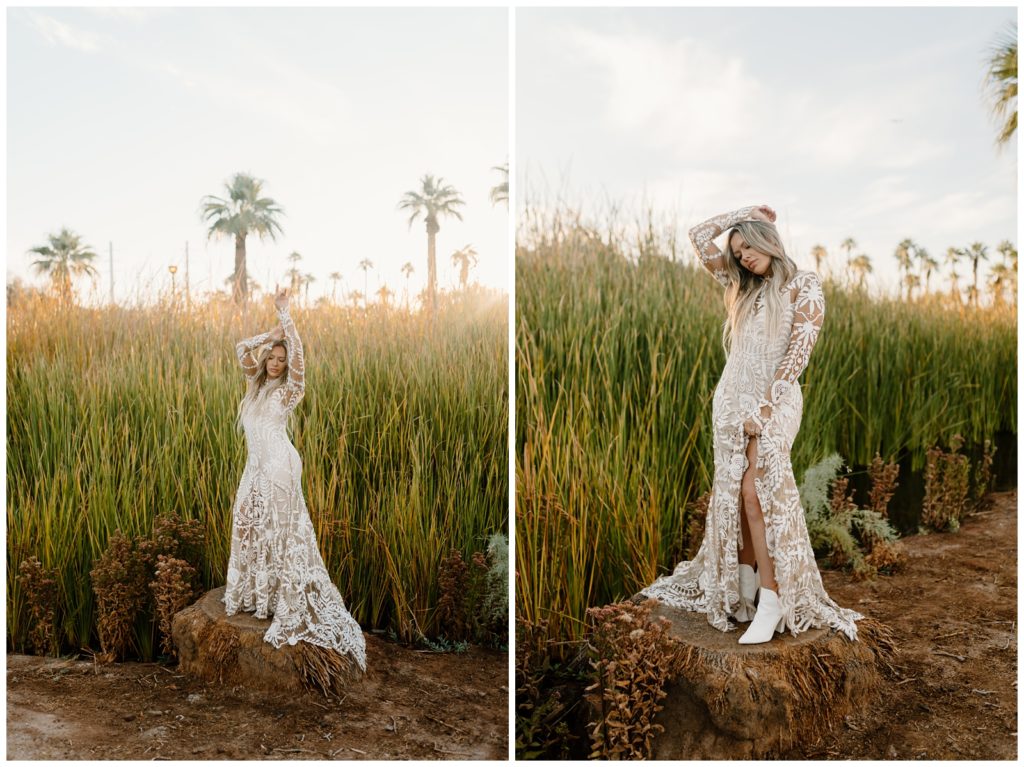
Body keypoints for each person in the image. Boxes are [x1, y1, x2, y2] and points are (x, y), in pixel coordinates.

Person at [639, 205, 862, 644]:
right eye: (737, 251)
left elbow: (798, 354)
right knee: (734, 495)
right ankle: (743, 588)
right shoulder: (742, 287)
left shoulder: (804, 285)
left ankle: (773, 599)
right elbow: (698, 236)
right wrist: (743, 213)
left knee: (755, 492)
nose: (742, 256)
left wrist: (765, 407)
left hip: (775, 402)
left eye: (748, 246)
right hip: (730, 402)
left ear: (769, 241)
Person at [224, 286, 367, 670]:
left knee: (277, 529)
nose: (275, 363)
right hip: (255, 465)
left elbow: (299, 355)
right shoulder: (256, 386)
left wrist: (286, 318)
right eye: (271, 358)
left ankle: (280, 599)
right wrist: (268, 336)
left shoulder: (289, 391)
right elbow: (240, 348)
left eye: (281, 359)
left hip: (280, 465)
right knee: (247, 522)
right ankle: (259, 595)